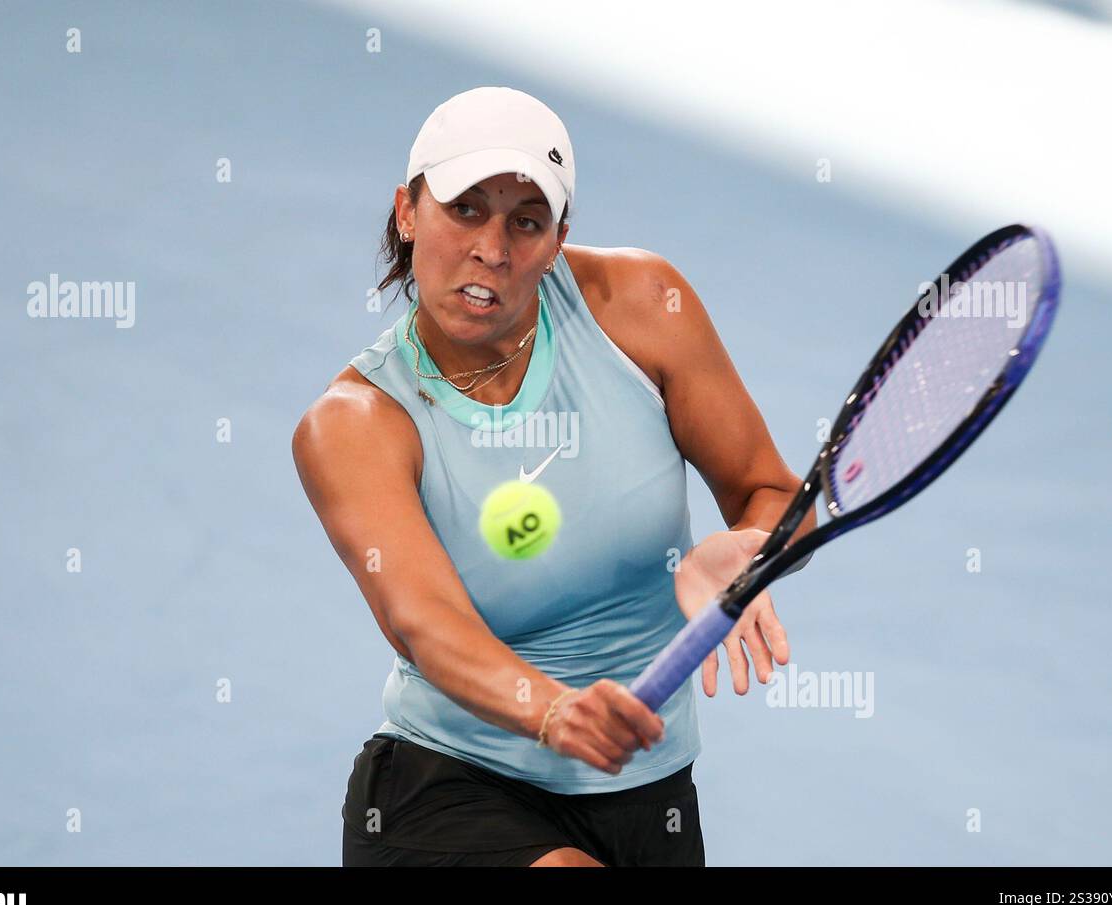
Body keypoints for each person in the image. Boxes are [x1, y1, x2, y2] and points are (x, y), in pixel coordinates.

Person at [292, 87, 815, 866]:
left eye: (526, 222)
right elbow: (425, 625)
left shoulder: (642, 305)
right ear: (407, 212)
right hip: (450, 788)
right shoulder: (354, 424)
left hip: (650, 796)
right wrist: (553, 712)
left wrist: (743, 551)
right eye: (465, 209)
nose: (493, 249)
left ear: (560, 236)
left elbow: (773, 496)